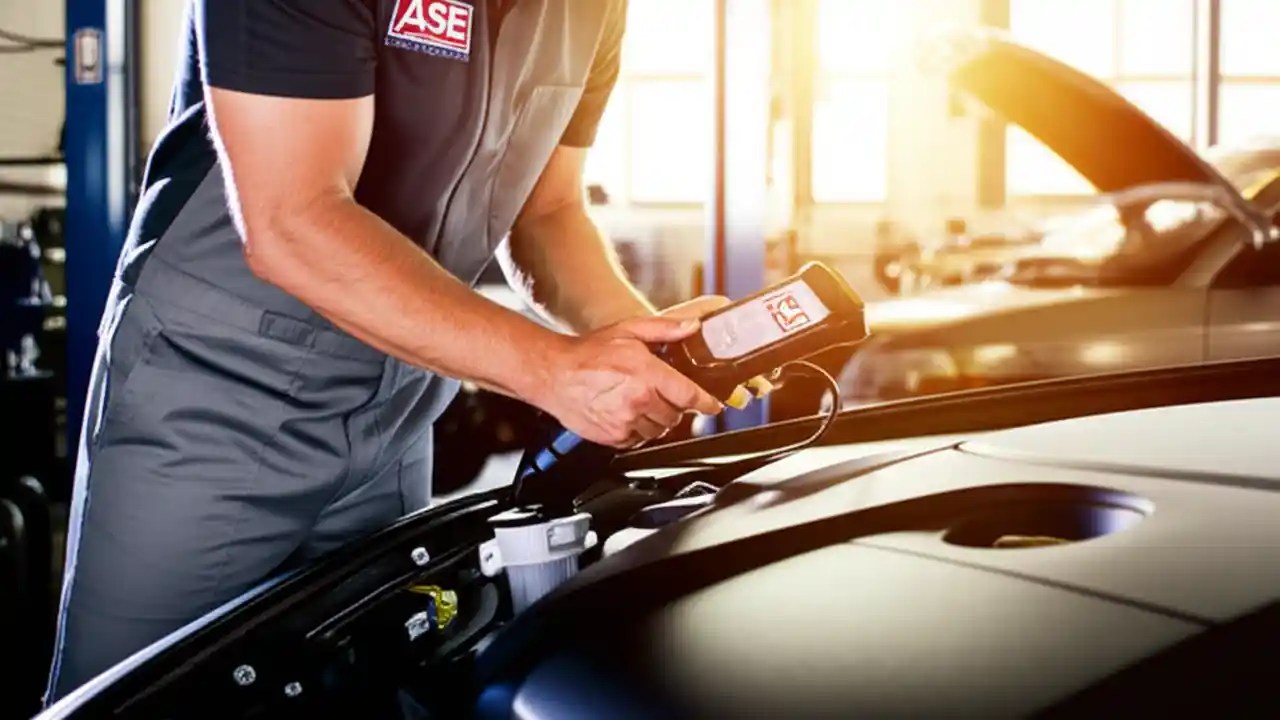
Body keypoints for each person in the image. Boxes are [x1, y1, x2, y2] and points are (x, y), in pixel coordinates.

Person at [47, 0, 726, 701]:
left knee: (370, 681)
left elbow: (545, 211)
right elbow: (294, 220)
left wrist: (651, 348)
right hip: (213, 393)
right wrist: (553, 371)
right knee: (139, 696)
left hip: (395, 404)